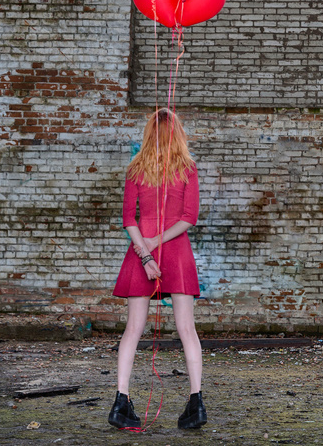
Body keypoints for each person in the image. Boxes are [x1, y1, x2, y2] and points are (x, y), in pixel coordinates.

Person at [108, 108, 207, 431]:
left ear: (149, 134)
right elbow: (188, 218)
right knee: (187, 330)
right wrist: (155, 246)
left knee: (132, 330)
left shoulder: (136, 169)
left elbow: (128, 220)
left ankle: (121, 401)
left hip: (141, 251)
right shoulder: (188, 169)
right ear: (177, 134)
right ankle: (196, 403)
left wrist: (144, 251)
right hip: (176, 252)